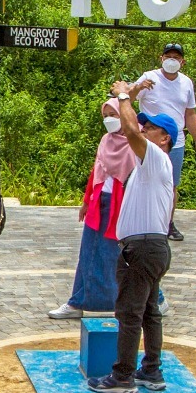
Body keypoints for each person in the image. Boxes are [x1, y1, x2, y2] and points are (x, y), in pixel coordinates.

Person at [87, 86, 180, 393]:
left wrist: (125, 95)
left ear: (164, 138)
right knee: (150, 311)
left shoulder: (155, 157)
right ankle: (151, 370)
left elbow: (128, 129)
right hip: (153, 247)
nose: (143, 130)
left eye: (150, 127)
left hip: (141, 248)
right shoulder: (150, 165)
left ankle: (123, 377)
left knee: (129, 313)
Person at [48, 102, 138, 320]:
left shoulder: (135, 143)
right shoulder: (106, 140)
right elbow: (97, 172)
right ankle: (78, 301)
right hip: (100, 201)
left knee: (116, 255)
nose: (108, 119)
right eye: (105, 115)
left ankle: (150, 299)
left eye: (113, 114)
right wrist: (87, 201)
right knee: (89, 253)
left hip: (121, 204)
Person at [129, 40, 196, 241]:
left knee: (170, 184)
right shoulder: (149, 77)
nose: (172, 60)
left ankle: (167, 223)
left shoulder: (186, 83)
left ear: (183, 61)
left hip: (175, 142)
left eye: (176, 57)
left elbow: (190, 113)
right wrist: (138, 87)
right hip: (148, 141)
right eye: (168, 56)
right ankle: (141, 220)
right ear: (161, 58)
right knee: (142, 179)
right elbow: (127, 98)